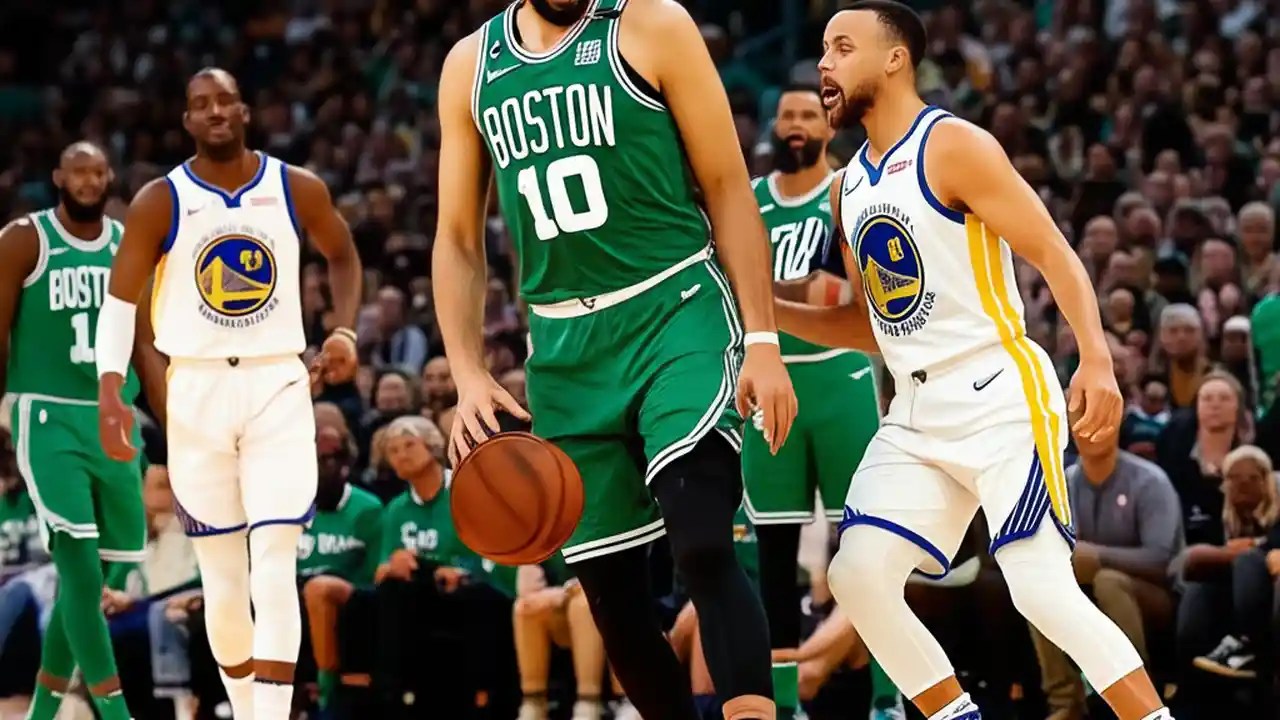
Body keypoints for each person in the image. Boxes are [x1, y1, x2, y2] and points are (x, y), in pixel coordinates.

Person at [777, 3, 1172, 719]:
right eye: (822, 50)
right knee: (858, 575)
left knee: (1040, 587)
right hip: (915, 407)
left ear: (895, 58)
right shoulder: (847, 186)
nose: (825, 66)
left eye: (841, 48)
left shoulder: (952, 145)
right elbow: (879, 325)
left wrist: (1097, 359)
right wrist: (767, 313)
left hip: (998, 390)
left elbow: (1053, 251)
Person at [433, 1, 796, 718]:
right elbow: (456, 237)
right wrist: (468, 372)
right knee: (610, 596)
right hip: (564, 345)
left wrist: (763, 339)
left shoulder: (653, 23)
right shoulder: (471, 66)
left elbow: (726, 184)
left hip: (674, 309)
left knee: (700, 543)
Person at [93, 68, 363, 720]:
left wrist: (345, 329)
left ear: (244, 110)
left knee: (273, 561)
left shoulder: (296, 187)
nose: (215, 112)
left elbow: (344, 255)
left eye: (225, 101)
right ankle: (248, 708)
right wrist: (110, 388)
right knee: (223, 579)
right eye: (200, 105)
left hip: (277, 380)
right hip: (197, 389)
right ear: (187, 121)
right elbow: (120, 301)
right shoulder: (161, 200)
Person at [745, 83, 899, 720]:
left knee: (865, 546)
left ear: (828, 129)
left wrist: (766, 287)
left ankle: (887, 699)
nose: (797, 125)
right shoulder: (749, 201)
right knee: (774, 557)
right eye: (787, 116)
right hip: (771, 383)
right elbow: (776, 286)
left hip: (840, 380)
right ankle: (785, 708)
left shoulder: (845, 190)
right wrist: (798, 287)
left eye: (809, 114)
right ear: (775, 127)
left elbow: (840, 293)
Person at [0, 141, 160, 720]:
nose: (89, 181)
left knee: (87, 581)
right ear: (57, 178)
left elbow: (144, 343)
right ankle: (116, 715)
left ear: (110, 177)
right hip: (46, 413)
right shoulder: (24, 238)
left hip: (112, 415)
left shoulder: (126, 244)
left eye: (98, 171)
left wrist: (167, 424)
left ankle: (41, 715)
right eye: (78, 172)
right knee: (80, 567)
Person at [1031, 421, 1183, 720]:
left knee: (1108, 581)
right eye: (1079, 423)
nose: (1089, 430)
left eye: (1098, 421)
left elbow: (1162, 560)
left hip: (1156, 597)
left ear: (1116, 426)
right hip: (1087, 593)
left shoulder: (1150, 481)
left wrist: (1100, 557)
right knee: (1037, 585)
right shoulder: (1063, 482)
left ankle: (1140, 701)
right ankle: (1066, 701)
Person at [299, 426, 383, 711]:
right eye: (308, 459)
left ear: (346, 463)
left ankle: (328, 695)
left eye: (326, 459)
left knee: (319, 590)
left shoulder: (367, 509)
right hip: (296, 599)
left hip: (351, 603)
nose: (317, 468)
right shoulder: (287, 508)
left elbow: (374, 577)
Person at [512, 555, 606, 720]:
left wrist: (566, 591)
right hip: (561, 603)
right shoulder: (542, 536)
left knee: (584, 605)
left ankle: (589, 704)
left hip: (600, 600)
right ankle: (533, 703)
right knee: (524, 608)